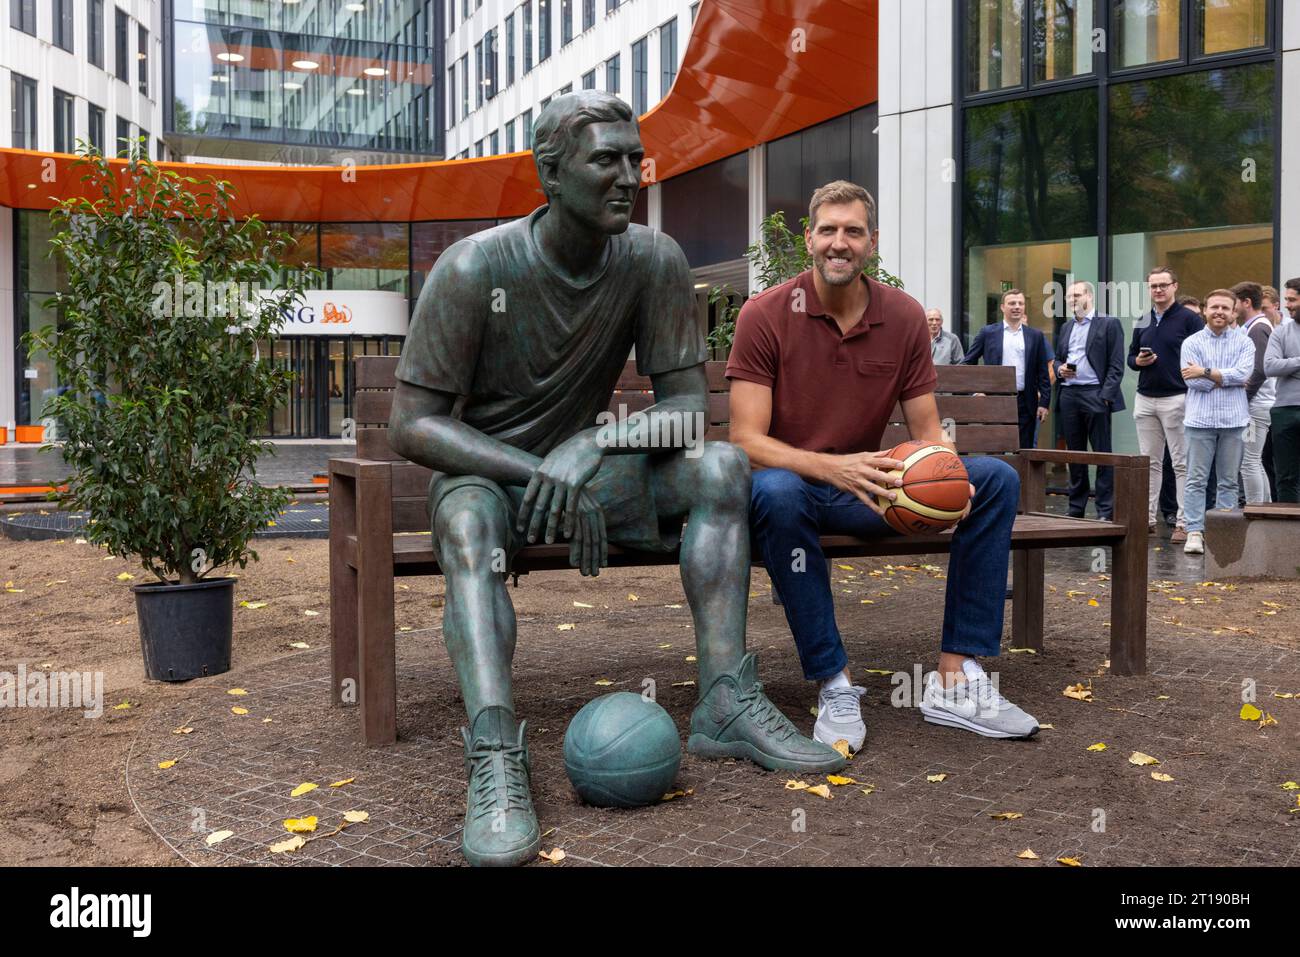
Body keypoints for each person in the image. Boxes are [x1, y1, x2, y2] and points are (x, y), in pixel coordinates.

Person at [388, 91, 844, 867]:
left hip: (590, 482)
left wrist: (594, 449)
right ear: (551, 173)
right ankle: (496, 754)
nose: (630, 175)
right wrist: (542, 465)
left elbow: (687, 408)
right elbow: (414, 425)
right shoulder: (474, 269)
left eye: (636, 158)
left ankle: (724, 703)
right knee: (466, 525)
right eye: (607, 159)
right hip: (491, 483)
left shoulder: (653, 259)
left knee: (722, 466)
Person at [728, 180, 1038, 753]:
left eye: (852, 231)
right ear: (809, 238)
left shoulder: (903, 317)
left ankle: (954, 677)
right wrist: (835, 467)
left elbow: (926, 431)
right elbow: (746, 440)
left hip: (872, 490)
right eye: (828, 230)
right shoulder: (765, 314)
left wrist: (945, 480)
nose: (838, 243)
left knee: (995, 478)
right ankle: (833, 681)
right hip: (791, 496)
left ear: (872, 241)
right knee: (774, 490)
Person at [1129, 266, 1204, 540]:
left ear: (1175, 286)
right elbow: (1130, 359)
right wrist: (1137, 361)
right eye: (1153, 286)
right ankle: (1147, 519)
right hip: (1145, 398)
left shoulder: (1189, 320)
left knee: (1182, 463)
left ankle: (1185, 523)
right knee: (1149, 463)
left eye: (1163, 285)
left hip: (1178, 398)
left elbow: (1203, 356)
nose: (1158, 290)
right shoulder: (1142, 320)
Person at [1179, 290, 1255, 556]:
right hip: (1199, 421)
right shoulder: (1191, 342)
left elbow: (1244, 374)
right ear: (1204, 310)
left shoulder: (1245, 343)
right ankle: (1195, 532)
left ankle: (1223, 532)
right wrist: (1223, 377)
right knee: (1196, 480)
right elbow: (1192, 381)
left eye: (1225, 307)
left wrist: (1206, 371)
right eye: (1214, 307)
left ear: (1234, 312)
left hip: (1234, 421)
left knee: (1228, 481)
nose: (1219, 312)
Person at [1052, 281, 1125, 520]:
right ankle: (1076, 508)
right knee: (1075, 454)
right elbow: (1057, 360)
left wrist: (1105, 397)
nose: (1073, 299)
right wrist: (1060, 369)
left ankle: (1105, 510)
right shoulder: (1066, 327)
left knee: (1103, 455)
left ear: (1090, 297)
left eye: (1078, 294)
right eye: (1069, 296)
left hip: (1095, 394)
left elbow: (1116, 365)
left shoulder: (1109, 323)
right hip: (1070, 395)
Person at [962, 289, 1051, 449]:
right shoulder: (987, 333)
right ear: (1003, 307)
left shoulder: (1035, 336)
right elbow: (967, 364)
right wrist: (975, 391)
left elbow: (1043, 372)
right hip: (995, 401)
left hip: (1026, 402)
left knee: (1024, 452)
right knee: (996, 449)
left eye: (1020, 303)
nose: (1017, 307)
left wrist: (1044, 402)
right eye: (1012, 303)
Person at [1231, 281, 1275, 504]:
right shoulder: (1254, 327)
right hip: (1257, 405)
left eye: (1235, 303)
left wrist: (1242, 399)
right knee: (1254, 461)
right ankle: (1264, 507)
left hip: (1255, 407)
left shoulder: (1258, 328)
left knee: (1248, 461)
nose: (1232, 308)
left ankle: (1256, 511)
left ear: (1246, 302)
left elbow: (1259, 370)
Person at [1264, 278, 1300, 502]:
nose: (1287, 305)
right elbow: (1270, 366)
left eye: (1292, 299)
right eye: (1287, 299)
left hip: (1285, 409)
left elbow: (1280, 365)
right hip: (1283, 411)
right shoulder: (1280, 332)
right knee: (1285, 475)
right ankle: (1289, 532)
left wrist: (1289, 365)